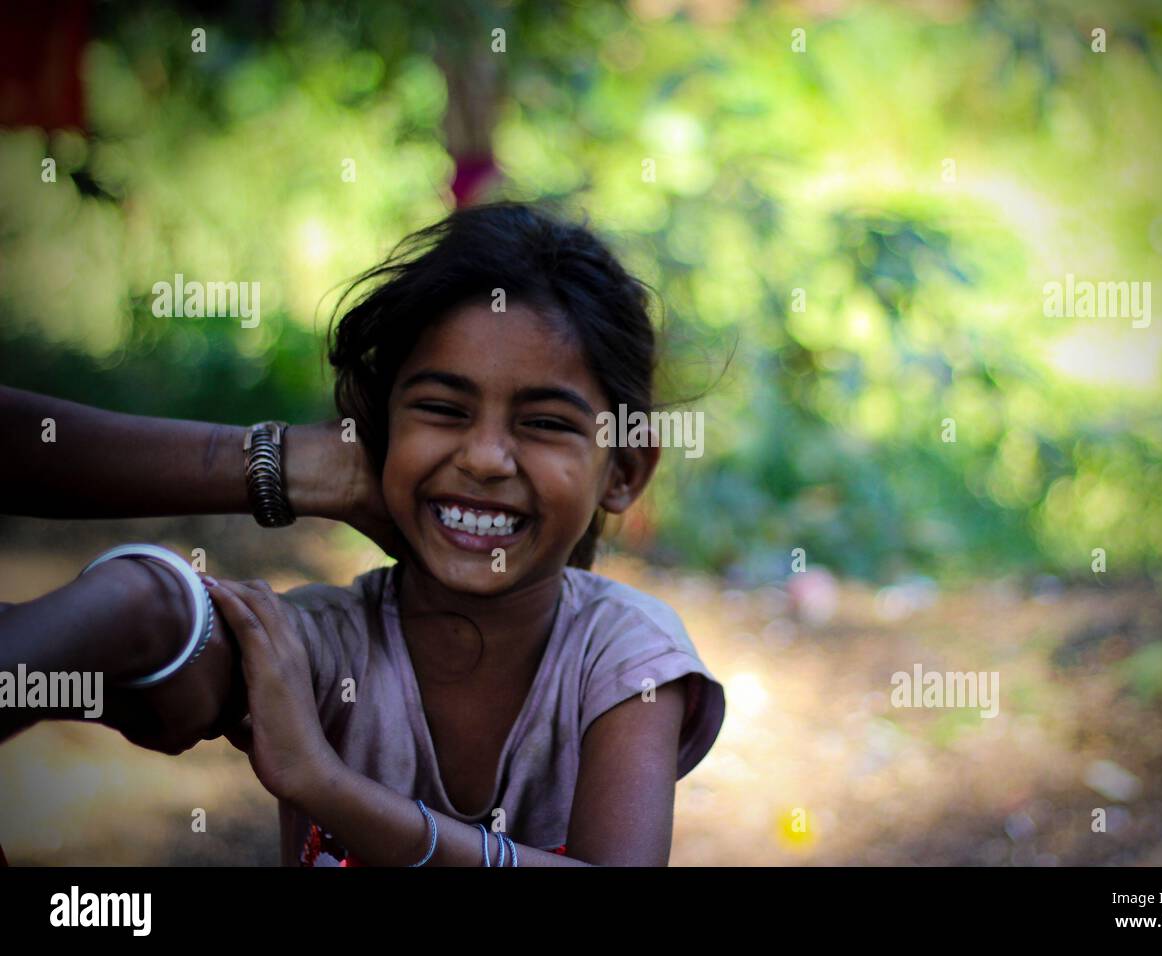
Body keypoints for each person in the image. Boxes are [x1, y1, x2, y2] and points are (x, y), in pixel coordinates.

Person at [0, 201, 726, 867]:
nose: (483, 458)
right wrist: (140, 597)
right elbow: (159, 636)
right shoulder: (313, 646)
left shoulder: (625, 658)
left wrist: (326, 784)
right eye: (443, 408)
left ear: (624, 469)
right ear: (377, 435)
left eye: (544, 423)